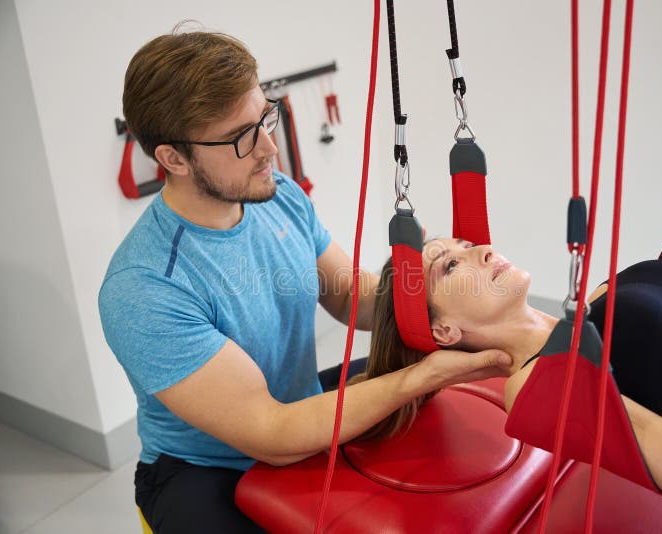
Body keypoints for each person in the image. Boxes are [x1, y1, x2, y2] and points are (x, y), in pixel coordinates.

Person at [98, 28, 509, 533]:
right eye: (242, 137)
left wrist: (433, 284)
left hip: (299, 403)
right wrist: (418, 378)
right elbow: (269, 433)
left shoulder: (278, 196)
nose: (270, 147)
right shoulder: (144, 288)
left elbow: (347, 296)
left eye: (265, 116)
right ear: (174, 159)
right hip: (206, 468)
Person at [354, 237, 662, 531]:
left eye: (466, 244)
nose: (483, 250)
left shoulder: (591, 302)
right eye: (449, 264)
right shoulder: (537, 385)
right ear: (444, 330)